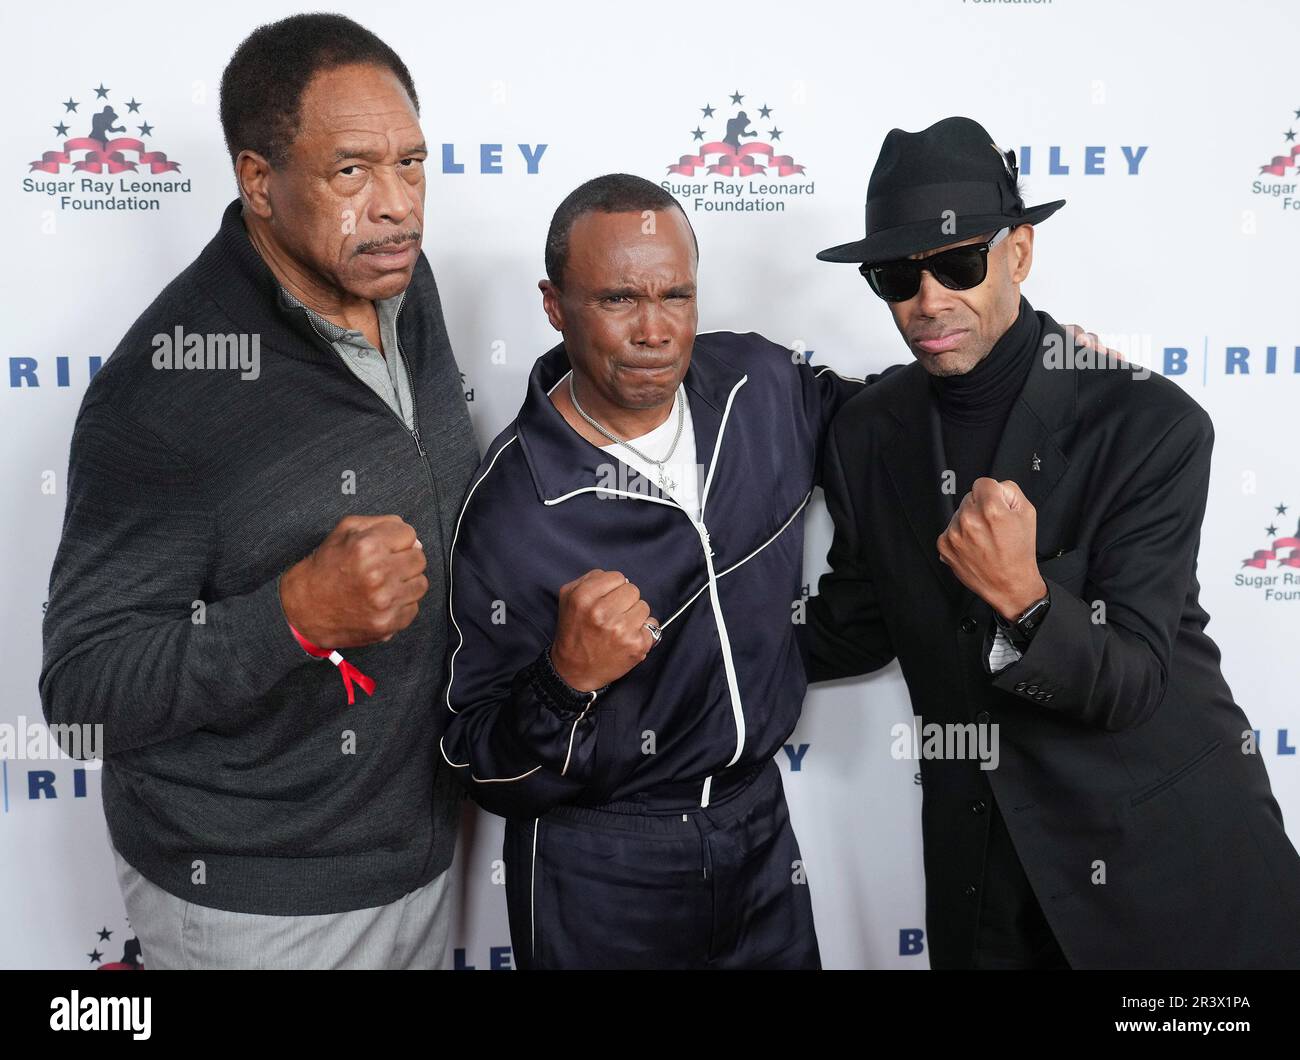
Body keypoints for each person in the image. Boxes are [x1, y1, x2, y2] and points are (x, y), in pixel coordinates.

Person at [803, 115, 1300, 969]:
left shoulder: (1147, 423)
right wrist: (678, 651)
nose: (929, 301)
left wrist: (1024, 598)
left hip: (1169, 869)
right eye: (897, 276)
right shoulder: (867, 431)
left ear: (1020, 253)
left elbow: (1134, 681)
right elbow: (856, 622)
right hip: (985, 885)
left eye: (960, 264)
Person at [39, 13, 479, 969]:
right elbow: (81, 698)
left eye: (411, 164)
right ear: (259, 182)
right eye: (351, 171)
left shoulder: (400, 283)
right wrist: (292, 616)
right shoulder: (163, 392)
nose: (398, 207)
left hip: (419, 855)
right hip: (257, 906)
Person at [437, 173, 880, 969]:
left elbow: (889, 431)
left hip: (760, 831)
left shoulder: (759, 388)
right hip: (600, 864)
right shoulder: (511, 505)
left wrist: (1040, 371)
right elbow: (478, 766)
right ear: (554, 306)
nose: (655, 331)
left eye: (676, 295)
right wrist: (563, 683)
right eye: (618, 300)